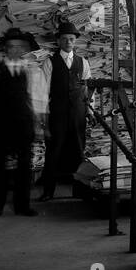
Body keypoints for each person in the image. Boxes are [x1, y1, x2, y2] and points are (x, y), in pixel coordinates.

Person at [0, 27, 48, 216]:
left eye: (19, 46)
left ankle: (22, 206)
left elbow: (39, 100)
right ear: (5, 48)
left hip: (24, 124)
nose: (15, 50)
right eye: (11, 46)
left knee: (24, 167)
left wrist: (39, 126)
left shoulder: (33, 71)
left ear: (24, 49)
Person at [38, 19, 90, 201]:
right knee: (53, 151)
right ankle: (48, 191)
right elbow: (43, 92)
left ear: (75, 42)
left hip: (78, 113)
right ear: (58, 41)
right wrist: (43, 118)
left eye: (72, 39)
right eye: (65, 39)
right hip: (57, 114)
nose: (68, 42)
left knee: (78, 151)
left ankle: (79, 191)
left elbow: (86, 89)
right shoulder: (49, 62)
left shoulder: (82, 62)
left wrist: (89, 111)